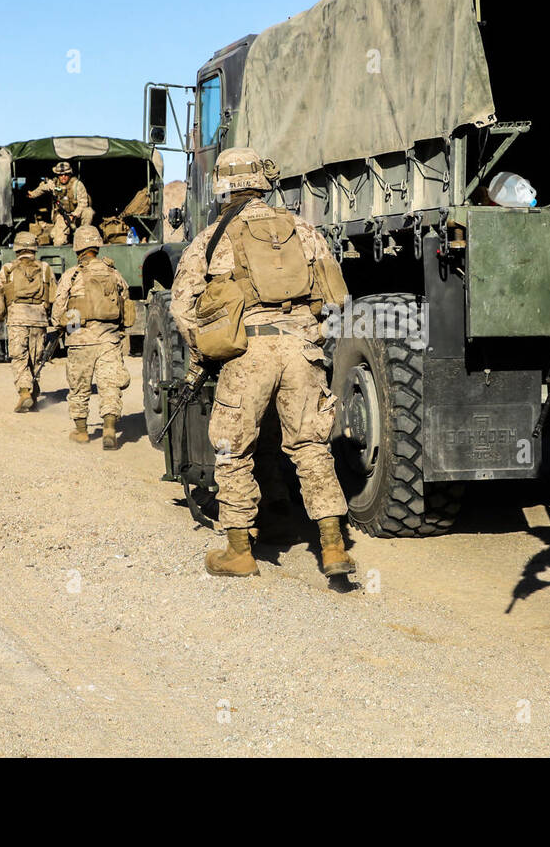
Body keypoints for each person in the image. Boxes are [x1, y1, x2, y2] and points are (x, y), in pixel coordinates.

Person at [169, 147, 353, 580]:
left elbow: (182, 305)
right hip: (301, 348)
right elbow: (336, 298)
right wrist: (312, 339)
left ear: (221, 186)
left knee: (234, 447)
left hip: (248, 352)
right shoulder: (302, 229)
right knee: (311, 445)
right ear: (261, 182)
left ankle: (238, 551)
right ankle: (333, 547)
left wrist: (204, 353)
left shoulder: (212, 238)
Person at [50, 225, 133, 449]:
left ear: (77, 247)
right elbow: (126, 305)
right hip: (109, 340)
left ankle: (81, 431)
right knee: (109, 386)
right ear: (97, 245)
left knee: (79, 388)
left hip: (79, 341)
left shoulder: (72, 275)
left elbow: (57, 312)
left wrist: (65, 323)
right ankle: (109, 429)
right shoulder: (113, 273)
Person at [0, 231, 57, 411]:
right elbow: (53, 297)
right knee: (35, 358)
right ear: (34, 248)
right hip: (39, 319)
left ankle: (25, 392)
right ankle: (33, 394)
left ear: (17, 249)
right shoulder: (45, 268)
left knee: (19, 357)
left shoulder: (7, 269)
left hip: (17, 319)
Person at [28, 161, 93, 247]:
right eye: (61, 175)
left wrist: (74, 215)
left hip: (76, 215)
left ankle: (84, 236)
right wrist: (32, 194)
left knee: (88, 212)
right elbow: (42, 188)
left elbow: (83, 203)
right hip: (61, 216)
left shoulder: (77, 185)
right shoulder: (53, 184)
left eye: (66, 174)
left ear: (70, 174)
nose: (63, 177)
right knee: (59, 240)